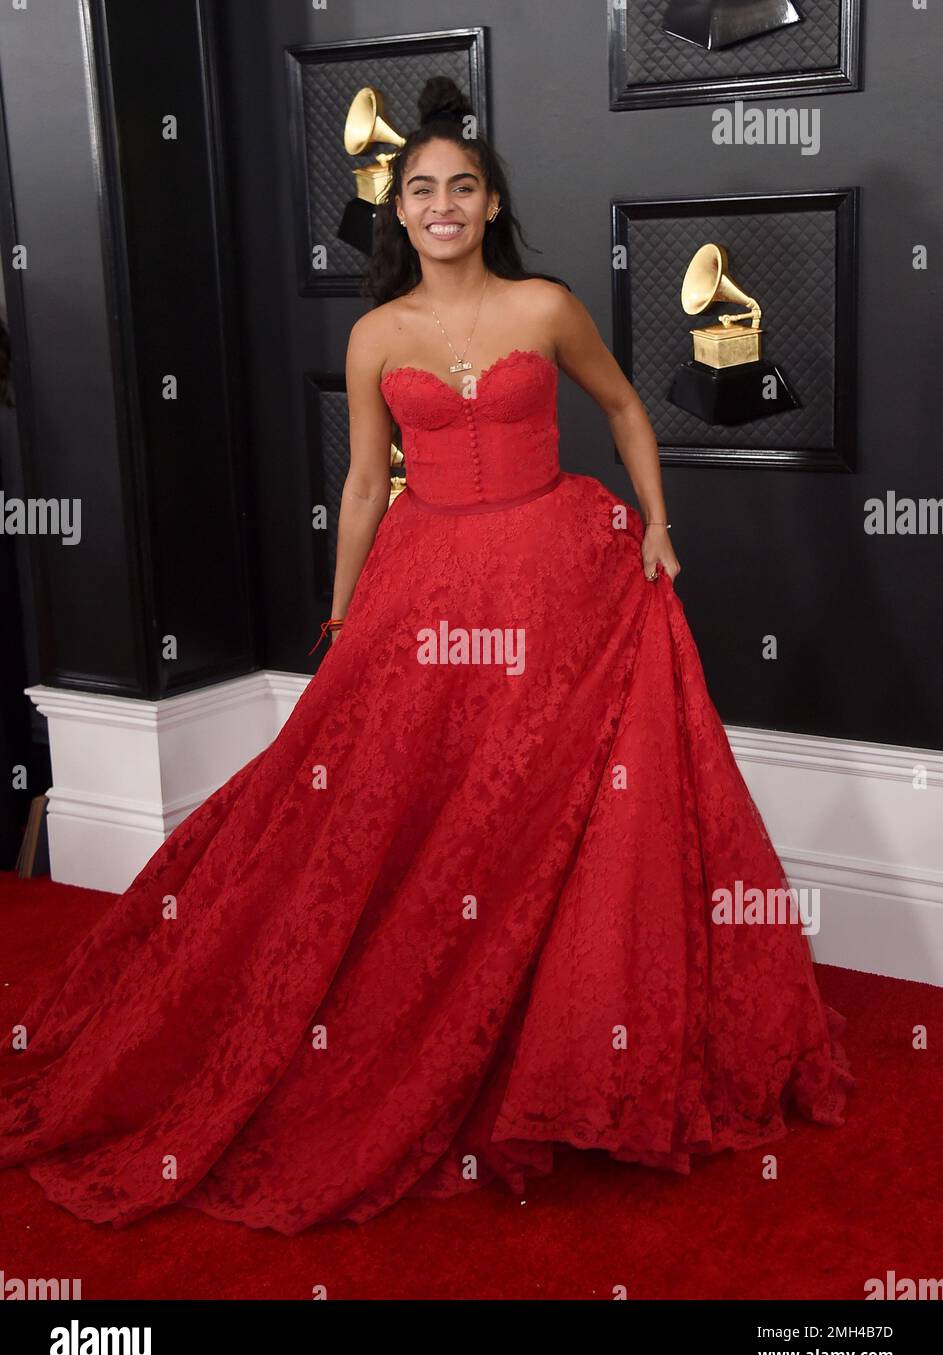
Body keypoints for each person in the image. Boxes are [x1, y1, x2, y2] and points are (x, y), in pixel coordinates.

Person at [0, 77, 853, 1235]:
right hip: (423, 577)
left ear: (490, 202)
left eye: (460, 187)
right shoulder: (373, 336)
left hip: (556, 574)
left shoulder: (545, 306)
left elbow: (626, 409)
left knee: (542, 808)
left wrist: (654, 522)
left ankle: (554, 1050)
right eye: (420, 191)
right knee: (405, 810)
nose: (441, 205)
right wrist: (345, 614)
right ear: (395, 212)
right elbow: (361, 481)